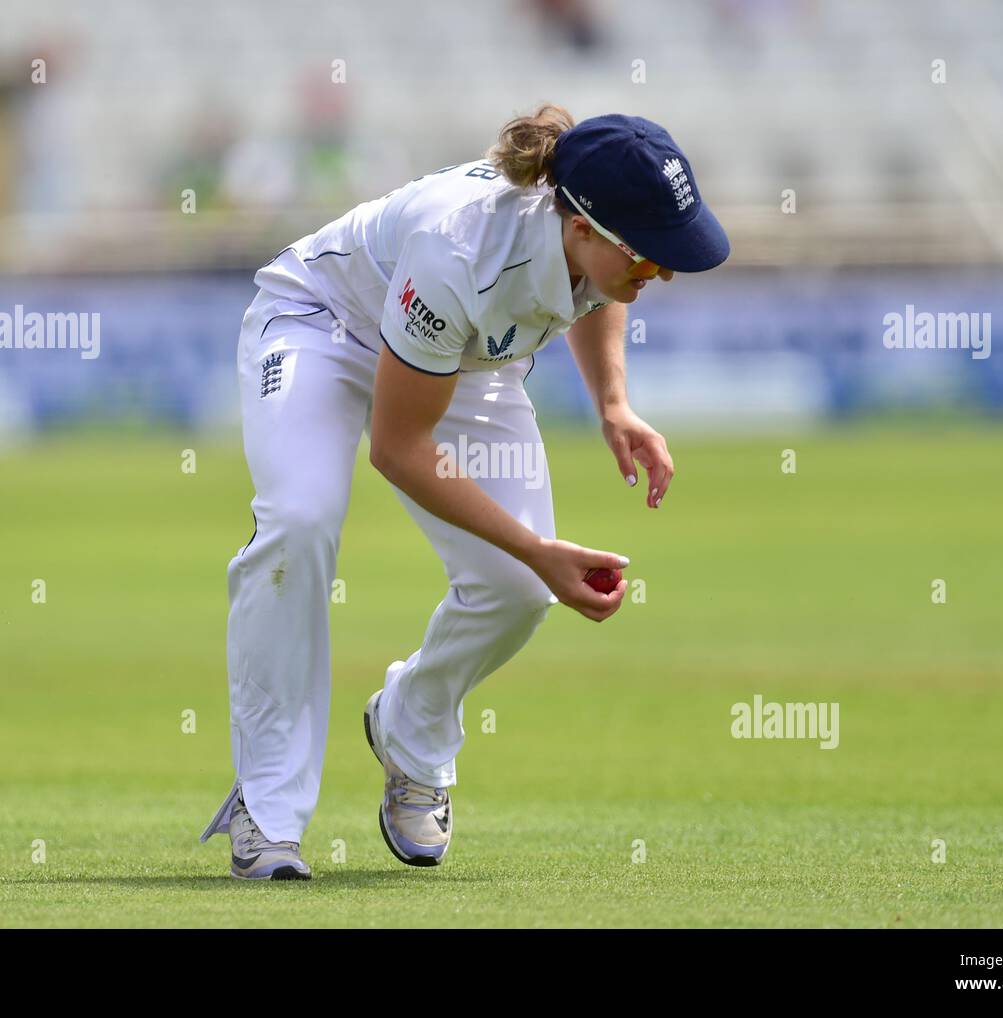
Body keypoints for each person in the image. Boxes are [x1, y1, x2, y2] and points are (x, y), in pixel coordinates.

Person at [199, 103, 730, 879]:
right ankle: (267, 809)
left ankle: (409, 730)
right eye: (649, 259)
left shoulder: (585, 231)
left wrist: (612, 402)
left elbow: (592, 289)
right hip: (322, 324)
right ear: (583, 225)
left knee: (517, 591)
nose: (664, 273)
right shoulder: (459, 252)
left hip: (466, 361)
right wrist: (538, 547)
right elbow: (400, 447)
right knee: (299, 520)